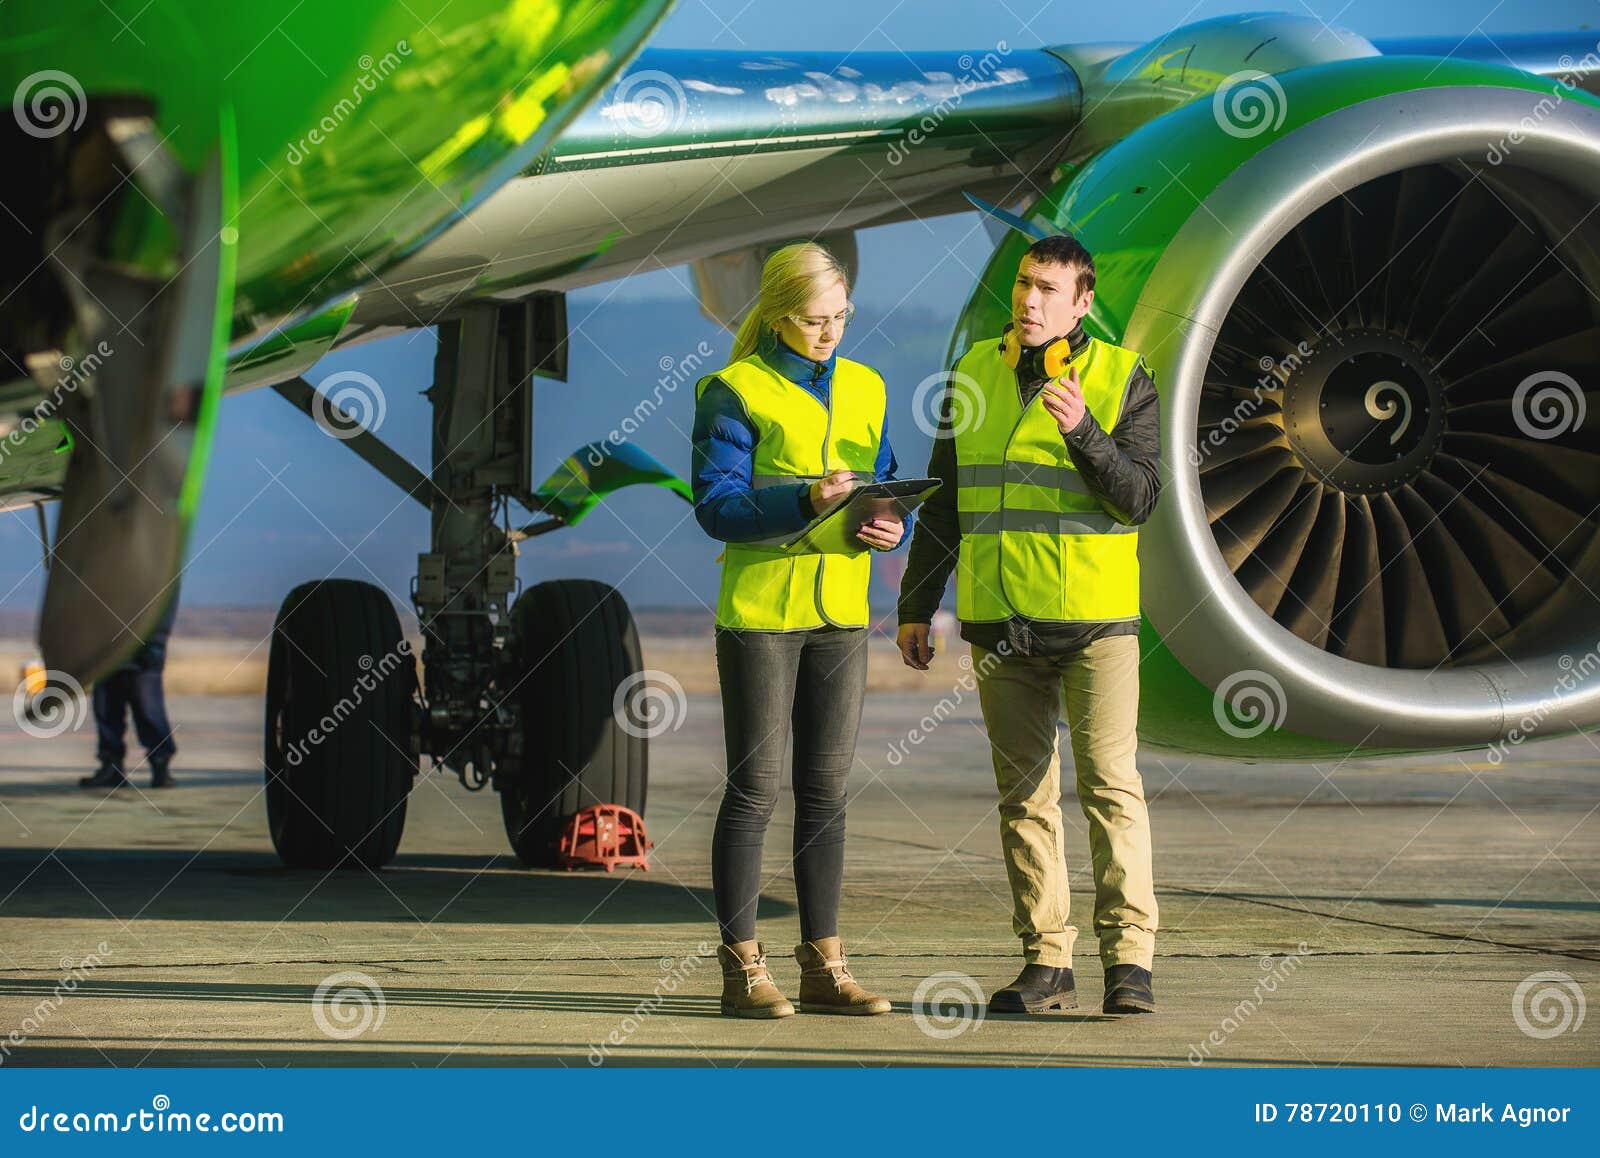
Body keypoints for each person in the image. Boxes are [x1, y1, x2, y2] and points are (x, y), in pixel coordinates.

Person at [896, 234, 1163, 1015]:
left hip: (1094, 623)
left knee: (1112, 789)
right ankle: (1047, 963)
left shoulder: (1119, 377)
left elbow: (1139, 497)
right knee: (1024, 799)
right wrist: (918, 603)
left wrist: (1085, 432)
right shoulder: (973, 373)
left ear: (1083, 302)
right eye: (1023, 284)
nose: (1029, 300)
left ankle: (1131, 965)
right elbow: (944, 501)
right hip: (998, 619)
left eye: (1049, 289)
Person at [692, 241, 910, 1019]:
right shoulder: (732, 391)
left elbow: (883, 484)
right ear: (781, 315)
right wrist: (807, 503)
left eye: (841, 318)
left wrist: (890, 527)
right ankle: (741, 969)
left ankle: (825, 965)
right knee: (755, 790)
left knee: (826, 792)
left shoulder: (868, 386)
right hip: (760, 614)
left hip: (840, 612)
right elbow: (715, 507)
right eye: (816, 321)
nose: (831, 334)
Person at [81, 585, 180, 789]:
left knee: (149, 711)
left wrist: (154, 643)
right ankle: (111, 767)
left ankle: (160, 765)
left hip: (143, 652)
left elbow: (164, 605)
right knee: (107, 710)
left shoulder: (158, 567)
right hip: (108, 650)